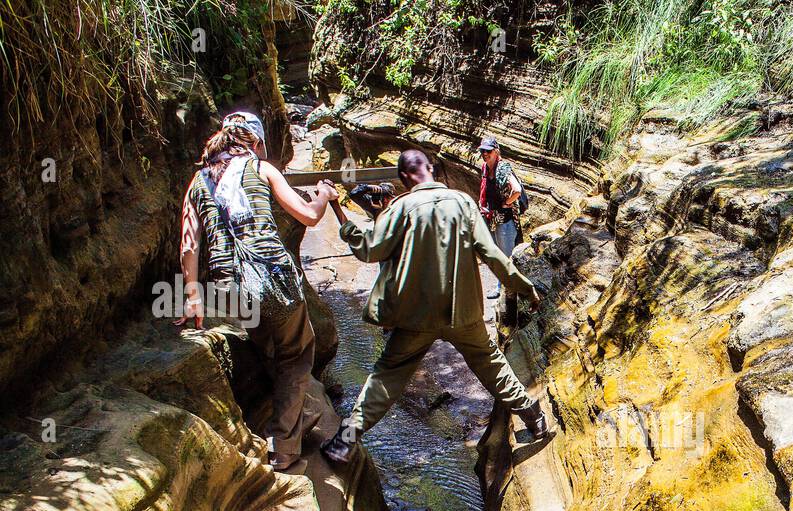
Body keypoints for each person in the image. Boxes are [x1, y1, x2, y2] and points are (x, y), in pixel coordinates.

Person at [320, 148, 551, 466]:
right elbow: (494, 256)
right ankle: (534, 417)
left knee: (387, 377)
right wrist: (525, 289)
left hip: (416, 318)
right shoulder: (462, 202)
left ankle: (343, 444)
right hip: (463, 312)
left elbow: (371, 250)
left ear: (403, 178)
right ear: (431, 169)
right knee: (490, 364)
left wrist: (338, 211)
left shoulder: (401, 208)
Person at [178, 111, 339, 471]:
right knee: (296, 354)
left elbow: (189, 242)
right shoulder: (262, 169)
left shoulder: (198, 180)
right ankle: (283, 448)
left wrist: (192, 296)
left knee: (267, 341)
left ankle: (300, 412)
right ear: (255, 141)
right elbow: (308, 216)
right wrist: (324, 196)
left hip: (229, 288)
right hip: (272, 280)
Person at [477, 135, 525, 300]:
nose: (485, 154)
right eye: (483, 151)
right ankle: (504, 286)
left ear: (496, 151)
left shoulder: (503, 168)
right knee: (497, 254)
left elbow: (517, 190)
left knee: (507, 256)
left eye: (488, 151)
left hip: (505, 220)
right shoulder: (485, 168)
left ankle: (507, 289)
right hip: (492, 218)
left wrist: (507, 202)